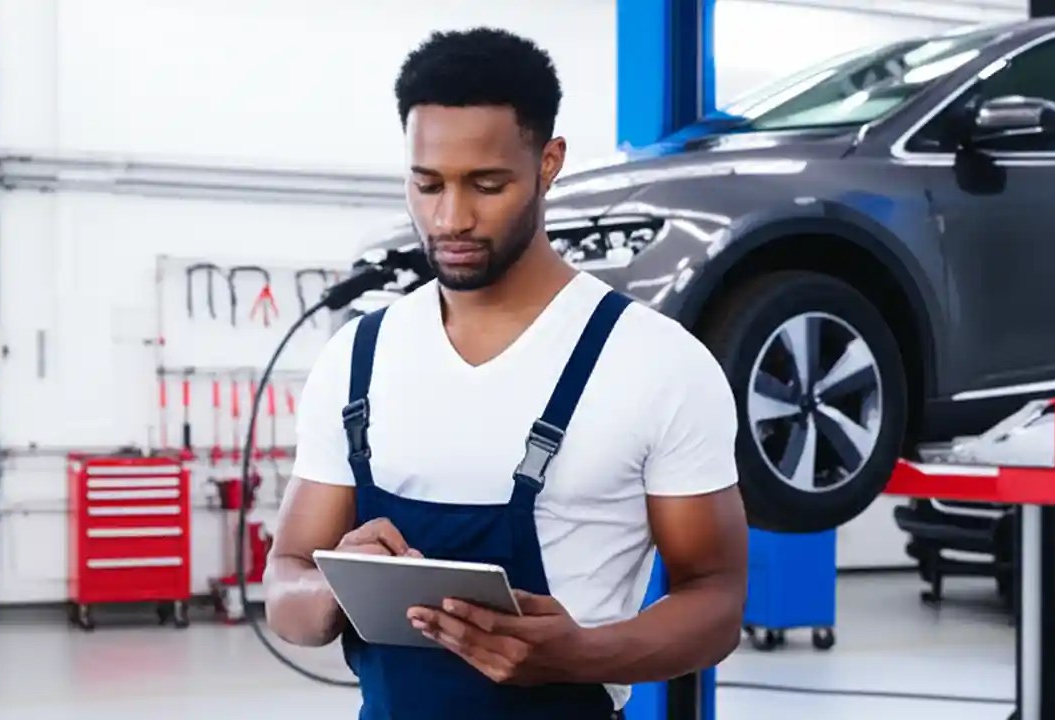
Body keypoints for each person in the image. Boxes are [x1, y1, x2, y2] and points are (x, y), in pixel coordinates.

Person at [265, 27, 748, 720]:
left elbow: (716, 602)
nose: (450, 217)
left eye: (486, 185)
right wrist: (336, 588)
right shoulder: (357, 361)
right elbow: (285, 588)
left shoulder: (655, 363)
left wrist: (580, 655)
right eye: (426, 184)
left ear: (548, 162)